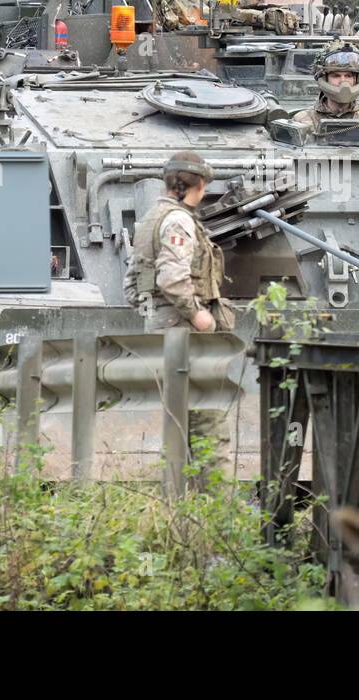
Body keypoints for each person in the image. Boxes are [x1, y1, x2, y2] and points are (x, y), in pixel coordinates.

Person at [123, 151, 234, 483]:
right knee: (209, 426)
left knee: (179, 428)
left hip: (164, 333)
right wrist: (197, 315)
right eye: (204, 185)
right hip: (187, 336)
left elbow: (131, 286)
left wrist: (155, 314)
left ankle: (177, 511)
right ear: (195, 184)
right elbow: (171, 279)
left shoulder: (150, 220)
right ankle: (216, 516)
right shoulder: (178, 220)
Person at [291, 42, 359, 130]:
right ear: (324, 78)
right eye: (336, 76)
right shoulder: (303, 121)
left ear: (356, 80)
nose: (343, 81)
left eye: (348, 76)